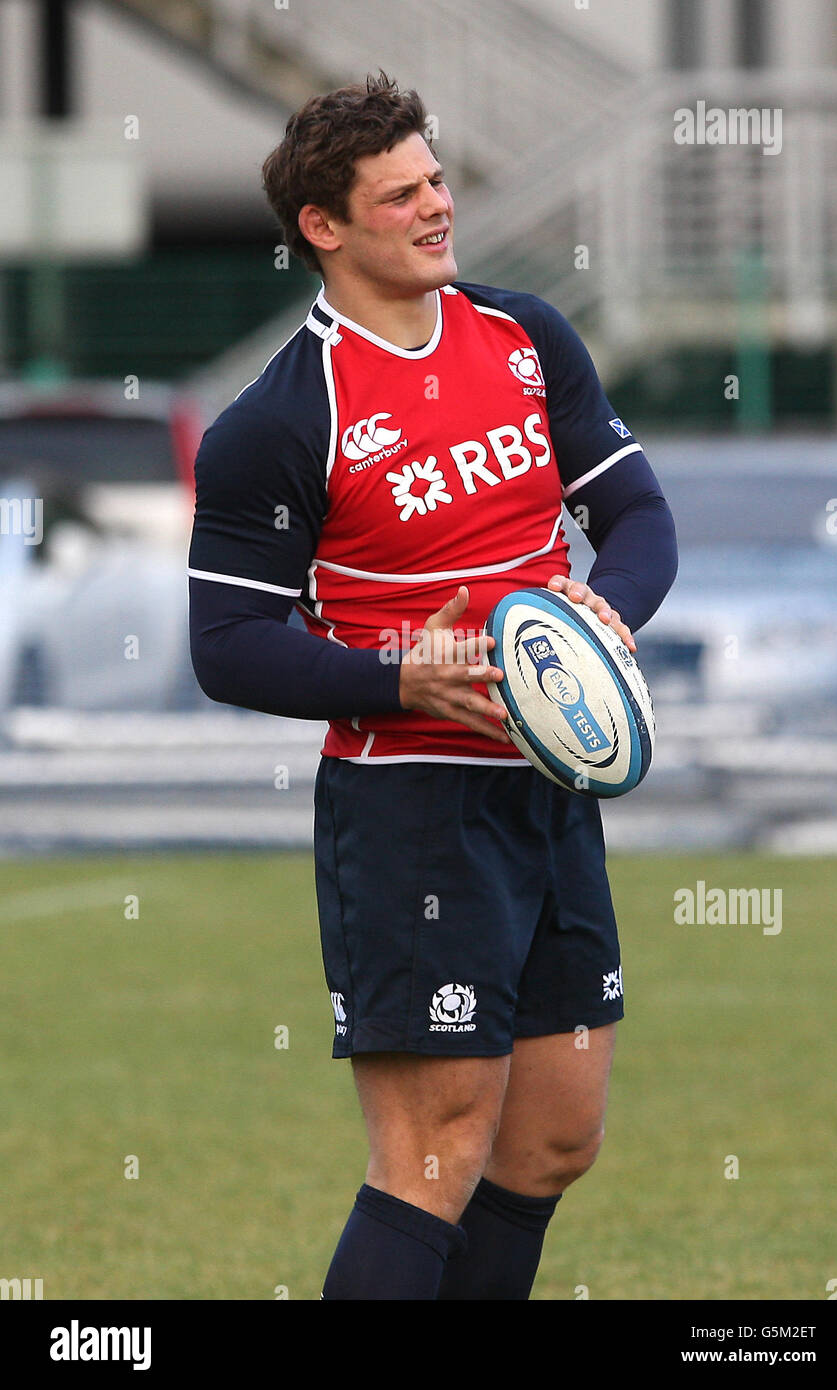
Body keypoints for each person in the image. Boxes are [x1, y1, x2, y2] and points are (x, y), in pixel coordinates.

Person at [188, 71, 677, 1300]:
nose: (436, 206)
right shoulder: (281, 418)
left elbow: (635, 514)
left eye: (437, 179)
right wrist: (399, 675)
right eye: (399, 194)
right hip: (410, 814)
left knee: (553, 1137)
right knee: (431, 1154)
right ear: (324, 227)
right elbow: (228, 643)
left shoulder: (524, 335)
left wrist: (604, 608)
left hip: (548, 785)